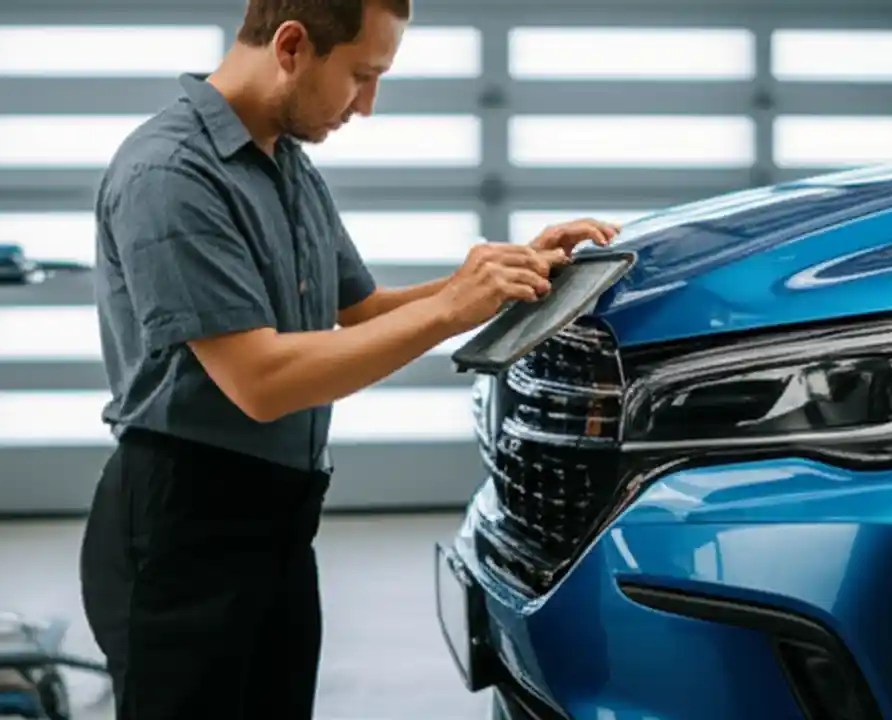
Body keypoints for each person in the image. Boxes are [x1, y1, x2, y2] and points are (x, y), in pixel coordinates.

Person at [78, 0, 620, 717]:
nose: (367, 105)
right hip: (182, 529)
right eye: (362, 75)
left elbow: (362, 311)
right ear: (292, 47)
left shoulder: (285, 164)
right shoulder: (172, 173)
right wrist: (452, 307)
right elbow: (260, 381)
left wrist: (500, 280)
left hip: (279, 522)